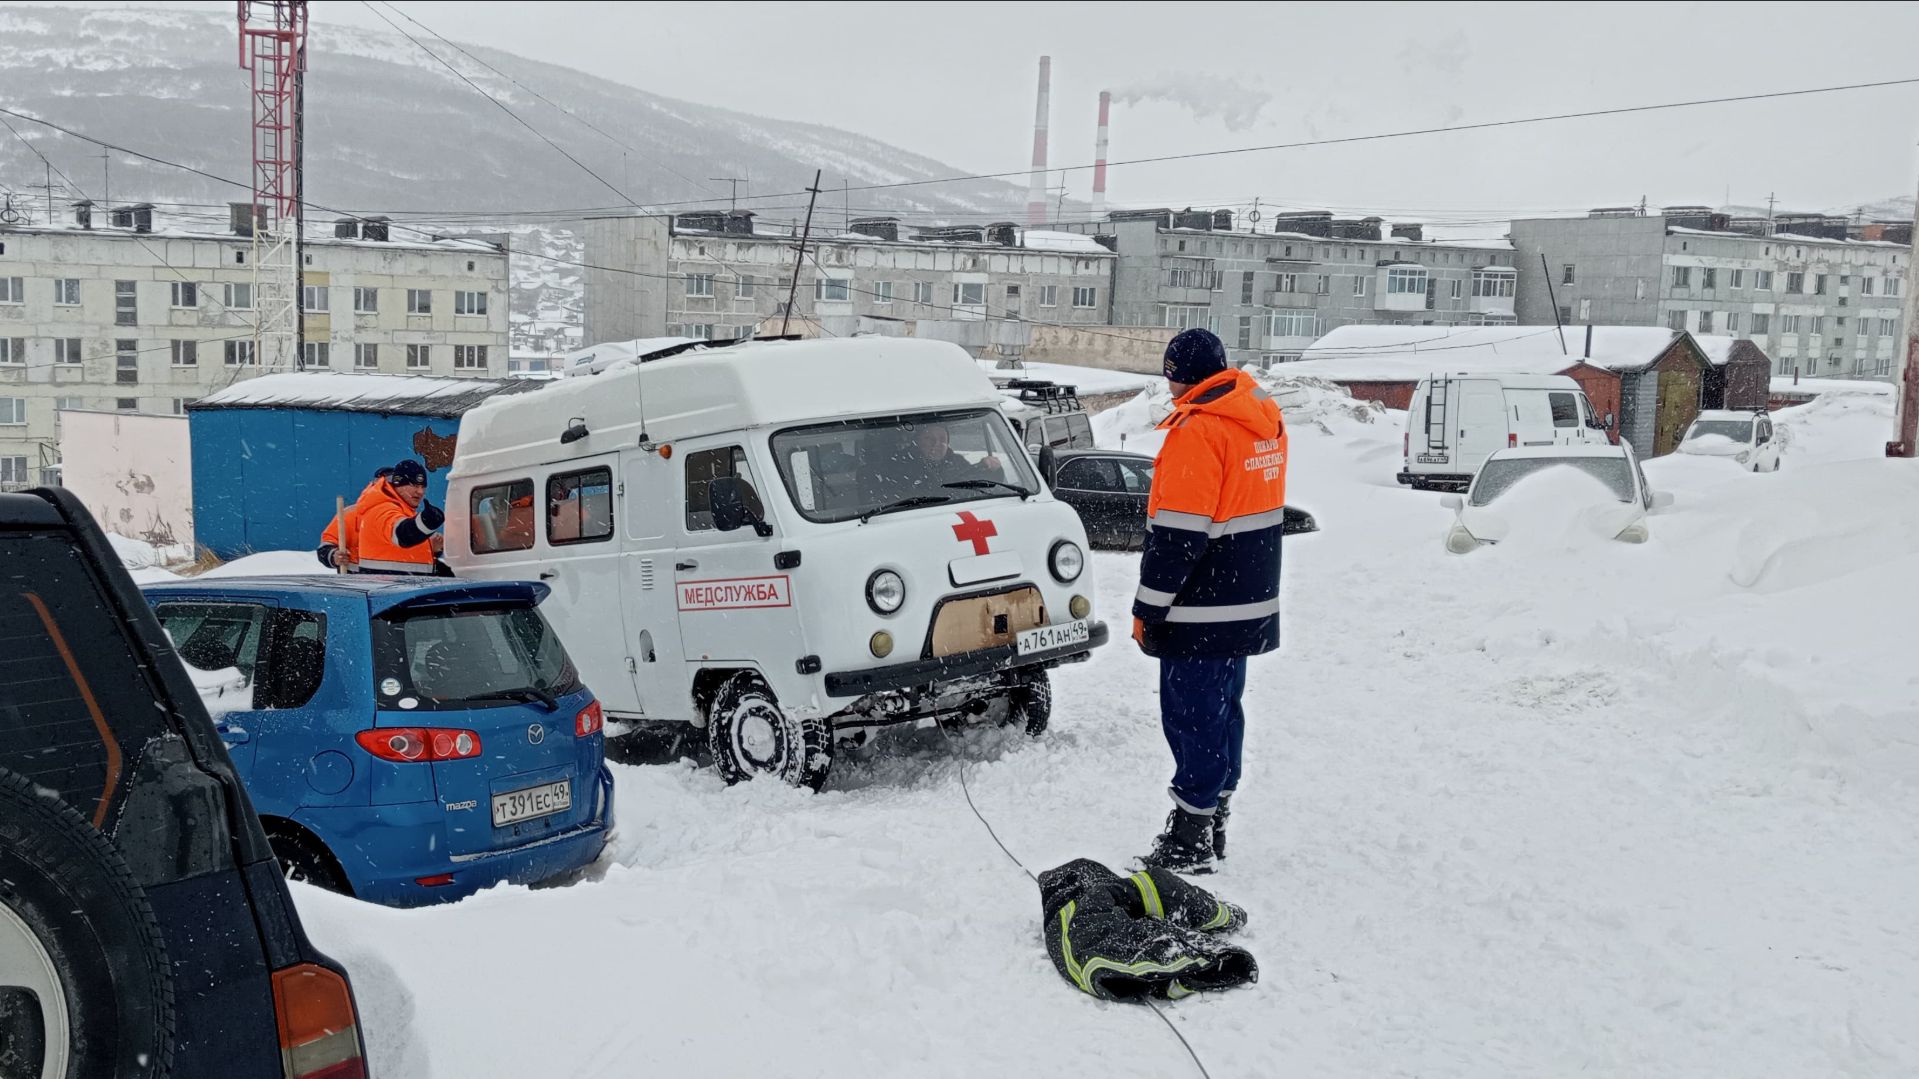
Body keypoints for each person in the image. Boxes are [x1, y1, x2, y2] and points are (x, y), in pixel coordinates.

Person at [1133, 328, 1287, 875]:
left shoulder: (1199, 433)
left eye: (1169, 372)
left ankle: (1190, 836)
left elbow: (1178, 536)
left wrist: (1149, 609)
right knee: (1224, 708)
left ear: (1179, 374)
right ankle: (1216, 814)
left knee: (1192, 713)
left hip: (1200, 605)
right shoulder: (1259, 419)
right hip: (1247, 598)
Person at [349, 459, 445, 575]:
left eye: (423, 486)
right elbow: (402, 534)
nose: (420, 491)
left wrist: (431, 547)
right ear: (398, 484)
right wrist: (427, 522)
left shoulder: (405, 511)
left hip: (402, 588)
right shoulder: (381, 510)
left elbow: (402, 552)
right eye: (414, 485)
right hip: (388, 588)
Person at [315, 467, 393, 571]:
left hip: (396, 583)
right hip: (354, 582)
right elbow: (325, 547)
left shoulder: (407, 518)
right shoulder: (349, 515)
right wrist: (334, 556)